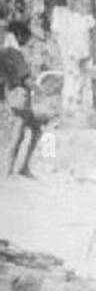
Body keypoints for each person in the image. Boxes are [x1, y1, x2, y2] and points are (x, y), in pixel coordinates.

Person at [1, 20, 43, 178]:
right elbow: (26, 79)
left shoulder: (3, 53)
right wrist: (40, 90)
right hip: (22, 96)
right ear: (19, 35)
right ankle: (10, 171)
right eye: (25, 37)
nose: (27, 41)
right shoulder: (15, 53)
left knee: (35, 131)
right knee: (19, 133)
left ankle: (21, 168)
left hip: (12, 94)